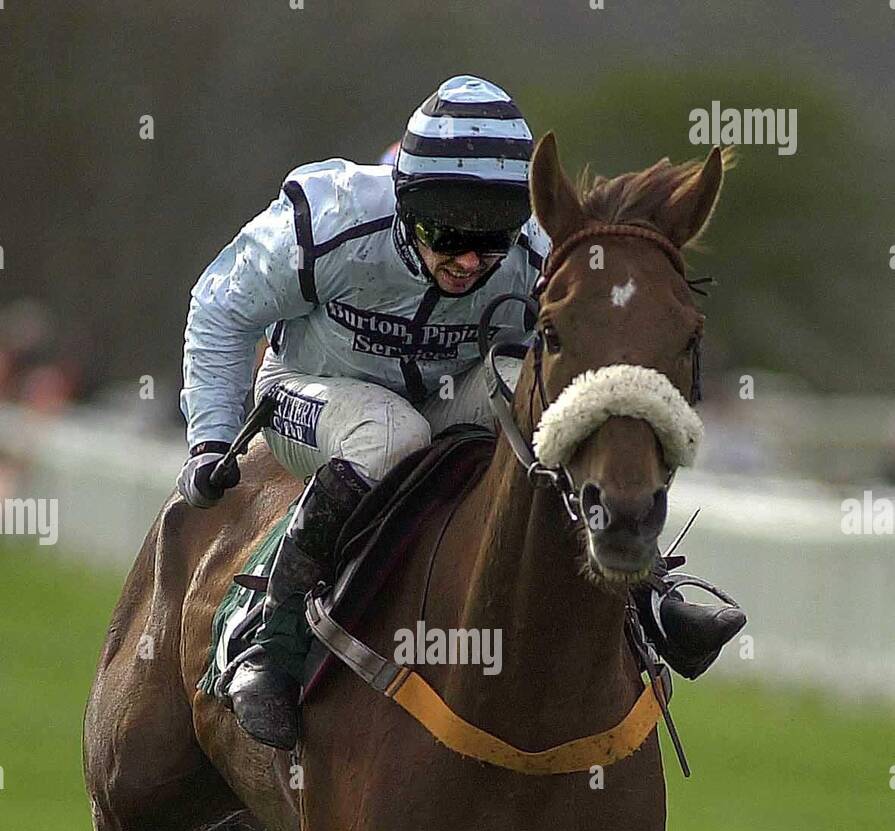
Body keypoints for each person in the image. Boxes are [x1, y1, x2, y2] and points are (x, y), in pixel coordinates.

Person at [178, 75, 743, 750]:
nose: (470, 259)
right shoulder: (323, 219)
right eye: (445, 234)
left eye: (492, 239)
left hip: (446, 388)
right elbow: (221, 307)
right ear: (402, 206)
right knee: (389, 433)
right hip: (310, 386)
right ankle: (270, 636)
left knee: (534, 387)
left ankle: (645, 589)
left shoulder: (533, 251)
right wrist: (210, 438)